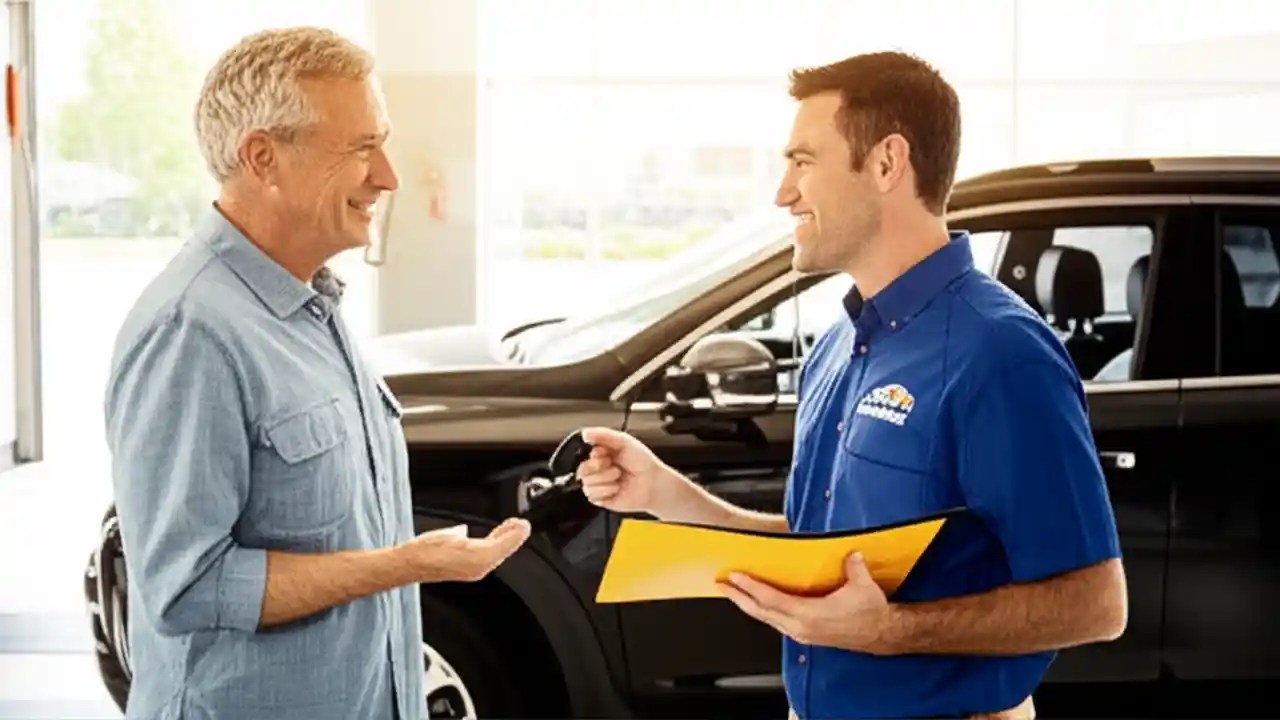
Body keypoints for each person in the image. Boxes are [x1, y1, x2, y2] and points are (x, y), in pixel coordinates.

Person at [576, 51, 1126, 720]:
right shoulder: (837, 348)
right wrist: (666, 495)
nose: (782, 193)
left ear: (888, 163)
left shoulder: (1000, 351)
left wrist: (887, 632)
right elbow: (826, 557)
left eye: (803, 162)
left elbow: (1096, 604)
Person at [103, 27, 530, 720]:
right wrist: (405, 564)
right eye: (362, 147)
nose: (387, 175)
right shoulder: (191, 332)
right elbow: (186, 587)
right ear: (264, 158)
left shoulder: (312, 308)